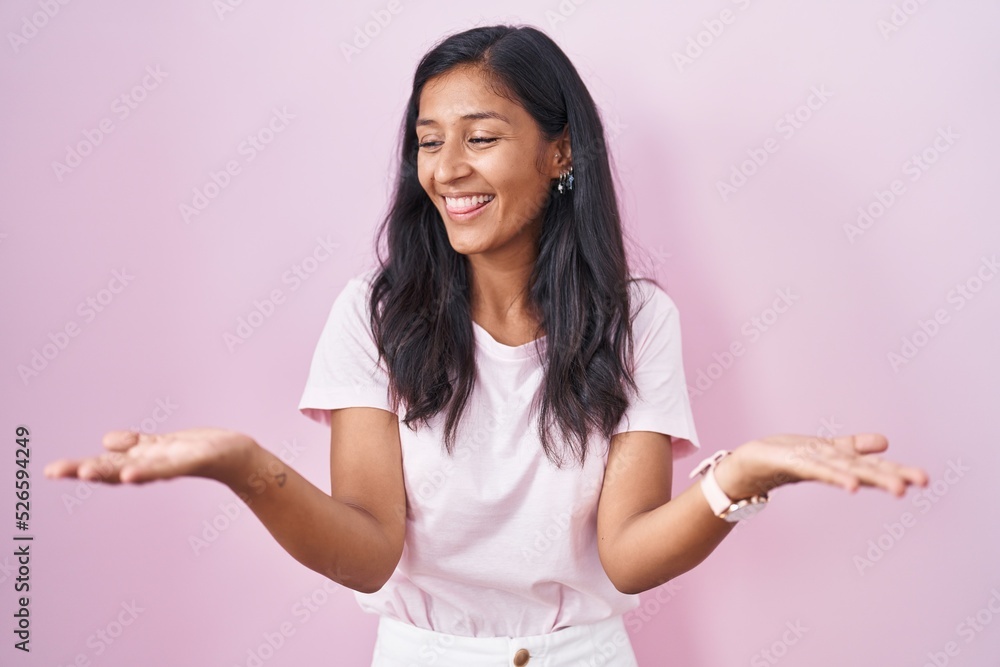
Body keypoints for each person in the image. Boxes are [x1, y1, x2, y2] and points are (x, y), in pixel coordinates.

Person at [44, 24, 929, 667]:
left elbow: (628, 553)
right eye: (429, 142)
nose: (447, 168)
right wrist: (244, 465)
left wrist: (743, 476)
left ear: (559, 154)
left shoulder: (635, 320)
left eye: (481, 137)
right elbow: (368, 549)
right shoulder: (372, 315)